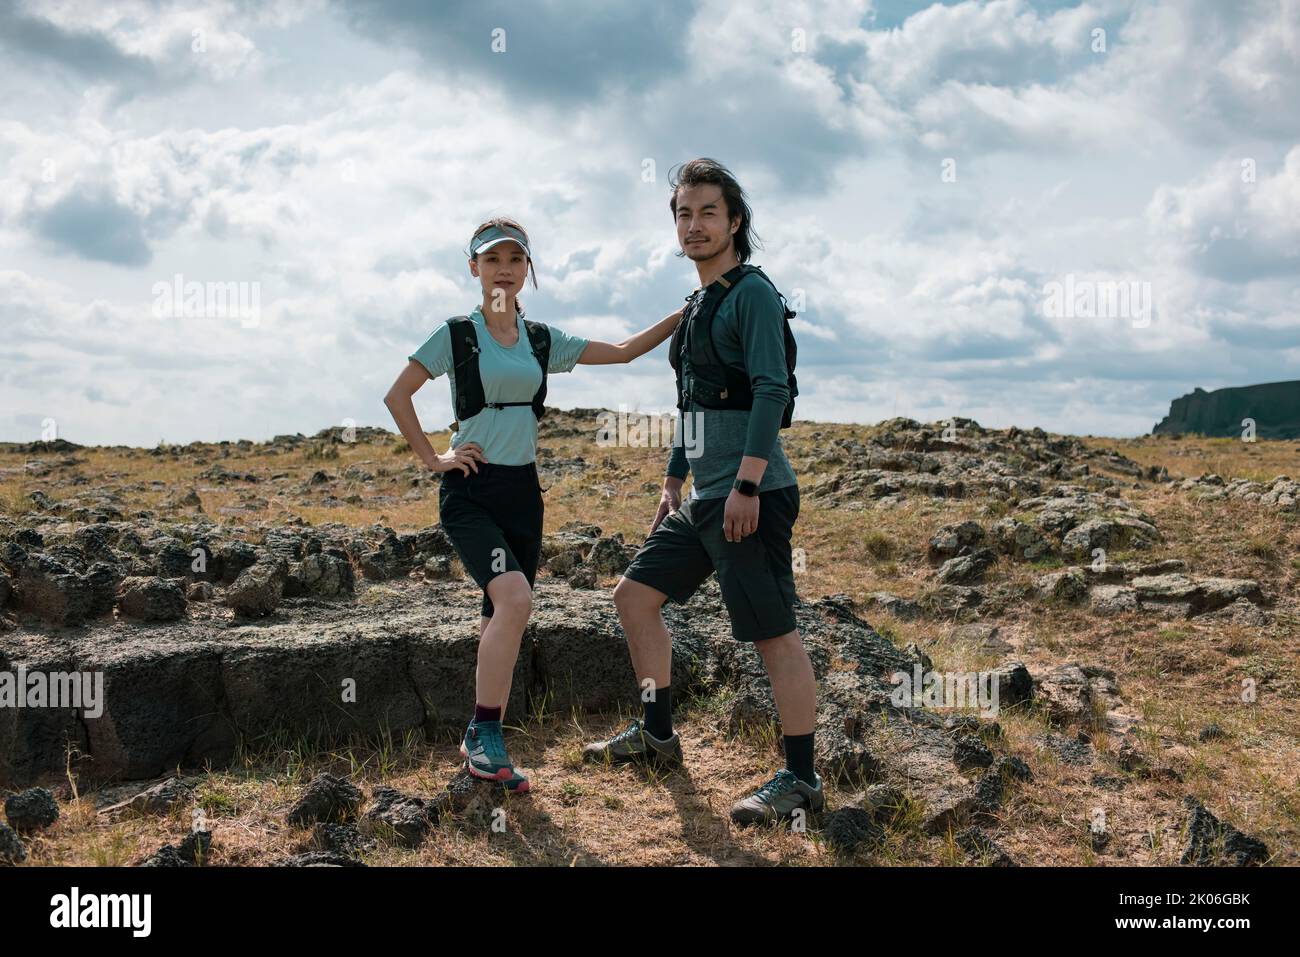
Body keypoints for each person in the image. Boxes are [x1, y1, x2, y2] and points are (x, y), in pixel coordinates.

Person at [384, 217, 683, 793]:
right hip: (470, 491)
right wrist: (434, 460)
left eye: (515, 260)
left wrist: (685, 311)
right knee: (514, 596)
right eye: (492, 259)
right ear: (474, 268)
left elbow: (622, 352)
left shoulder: (541, 340)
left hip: (523, 494)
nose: (504, 269)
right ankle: (486, 732)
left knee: (501, 613)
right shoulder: (456, 335)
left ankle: (480, 746)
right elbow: (398, 395)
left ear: (527, 270)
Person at [582, 159, 822, 826]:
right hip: (703, 497)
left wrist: (746, 482)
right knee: (634, 597)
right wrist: (672, 480)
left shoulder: (753, 294)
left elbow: (772, 390)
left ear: (735, 221)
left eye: (707, 212)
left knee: (774, 636)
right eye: (684, 213)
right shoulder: (695, 304)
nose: (694, 224)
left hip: (753, 493)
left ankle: (802, 780)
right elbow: (690, 399)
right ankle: (657, 734)